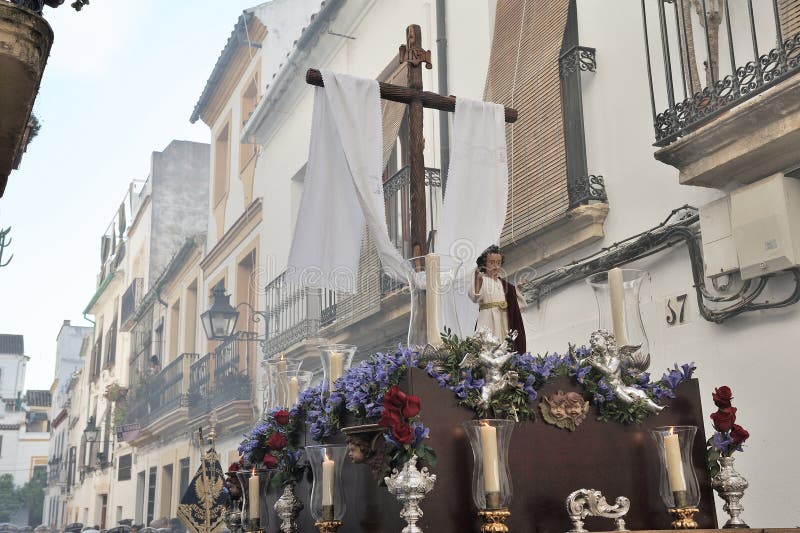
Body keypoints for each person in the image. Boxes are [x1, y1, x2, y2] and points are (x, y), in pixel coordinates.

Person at [468, 245, 527, 353]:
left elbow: (514, 304)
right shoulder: (483, 281)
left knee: (504, 346)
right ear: (484, 264)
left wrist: (516, 290)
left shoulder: (504, 284)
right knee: (487, 348)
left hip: (504, 320)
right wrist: (477, 280)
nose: (496, 266)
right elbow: (475, 296)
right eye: (492, 263)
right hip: (488, 319)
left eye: (498, 263)